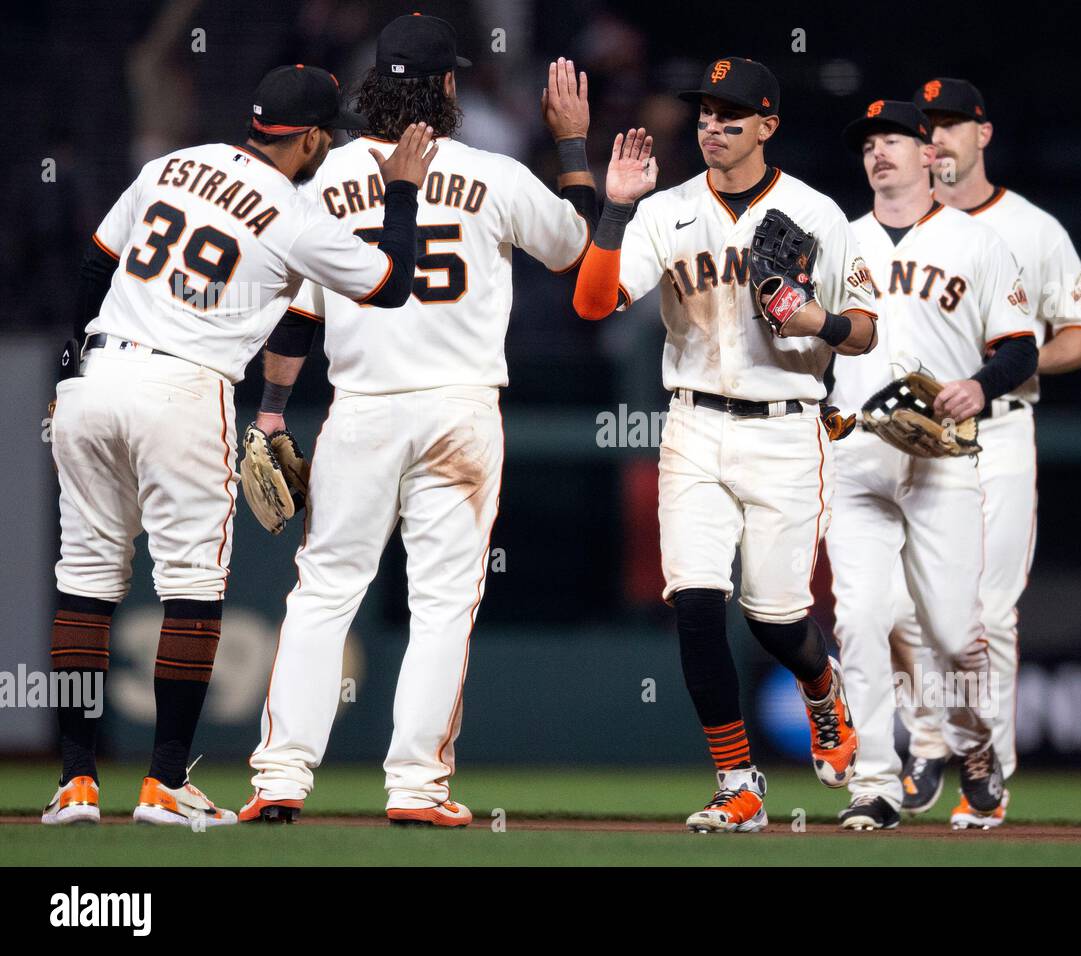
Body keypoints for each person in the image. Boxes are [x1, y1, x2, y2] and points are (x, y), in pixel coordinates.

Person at [42, 63, 436, 826]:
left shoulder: (170, 165)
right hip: (185, 391)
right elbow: (390, 285)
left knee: (87, 576)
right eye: (332, 133)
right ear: (313, 137)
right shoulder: (293, 214)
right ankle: (163, 783)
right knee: (191, 581)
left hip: (94, 376)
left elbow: (97, 259)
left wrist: (72, 352)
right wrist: (403, 189)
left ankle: (75, 784)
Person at [241, 16, 597, 827]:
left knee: (324, 593)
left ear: (372, 84)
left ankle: (282, 777)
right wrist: (571, 144)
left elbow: (297, 319)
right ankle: (415, 788)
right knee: (442, 603)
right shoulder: (492, 173)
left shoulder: (323, 182)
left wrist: (269, 412)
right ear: (446, 88)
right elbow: (575, 245)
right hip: (460, 407)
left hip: (361, 407)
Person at [573, 56, 877, 833]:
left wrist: (817, 323)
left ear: (768, 126)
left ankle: (822, 689)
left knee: (776, 620)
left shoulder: (818, 214)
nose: (713, 125)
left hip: (786, 427)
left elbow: (867, 330)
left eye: (731, 114)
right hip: (694, 423)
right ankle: (737, 782)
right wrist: (613, 211)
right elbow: (592, 302)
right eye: (706, 113)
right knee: (699, 606)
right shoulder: (665, 209)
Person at [891, 78, 1081, 827]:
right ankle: (925, 748)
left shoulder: (1033, 228)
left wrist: (999, 373)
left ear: (985, 132)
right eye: (927, 127)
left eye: (951, 124)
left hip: (1001, 426)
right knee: (906, 608)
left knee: (987, 611)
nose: (938, 138)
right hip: (911, 434)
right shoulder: (900, 228)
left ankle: (991, 771)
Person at [826, 99, 1037, 830]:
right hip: (856, 458)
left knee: (951, 635)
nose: (879, 152)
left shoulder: (976, 244)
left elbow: (1021, 345)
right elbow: (805, 348)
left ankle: (975, 748)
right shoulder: (838, 241)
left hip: (943, 459)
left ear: (929, 154)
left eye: (894, 139)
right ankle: (876, 785)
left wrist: (979, 385)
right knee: (860, 619)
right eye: (869, 143)